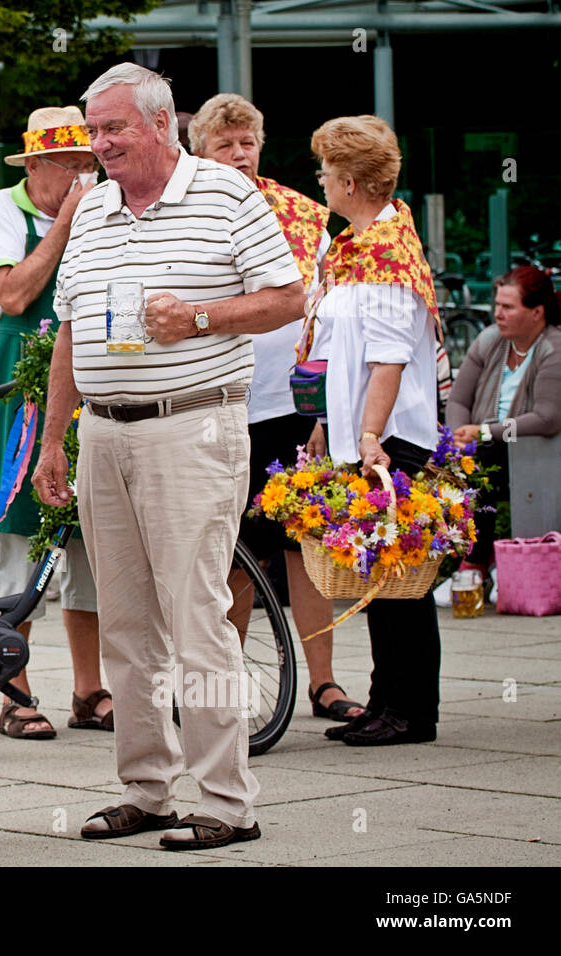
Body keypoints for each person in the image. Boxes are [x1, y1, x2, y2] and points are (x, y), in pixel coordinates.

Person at [32, 63, 306, 849]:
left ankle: (226, 803)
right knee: (125, 624)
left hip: (192, 428)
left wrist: (201, 317)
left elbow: (288, 297)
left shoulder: (224, 193)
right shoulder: (90, 211)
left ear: (160, 124)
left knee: (196, 619)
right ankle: (147, 789)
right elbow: (72, 334)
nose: (100, 143)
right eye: (93, 131)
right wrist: (56, 437)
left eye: (112, 128)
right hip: (105, 433)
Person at [189, 93, 363, 723]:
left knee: (304, 542)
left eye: (247, 143)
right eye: (225, 145)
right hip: (216, 401)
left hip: (292, 403)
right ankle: (227, 685)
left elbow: (327, 305)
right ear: (199, 151)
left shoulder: (303, 212)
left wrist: (326, 408)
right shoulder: (187, 213)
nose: (239, 155)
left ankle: (324, 682)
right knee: (229, 547)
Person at [0, 105, 108, 739]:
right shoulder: (2, 209)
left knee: (87, 539)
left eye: (91, 166)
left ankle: (89, 688)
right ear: (41, 166)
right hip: (17, 386)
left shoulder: (106, 206)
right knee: (21, 534)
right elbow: (15, 294)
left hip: (87, 379)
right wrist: (66, 226)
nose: (85, 180)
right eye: (74, 168)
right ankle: (12, 690)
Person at [304, 115, 443, 747]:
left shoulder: (385, 252)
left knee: (397, 576)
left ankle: (410, 712)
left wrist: (366, 436)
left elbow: (388, 358)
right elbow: (341, 352)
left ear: (352, 182)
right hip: (360, 432)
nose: (321, 181)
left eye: (328, 172)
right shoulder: (358, 244)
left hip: (389, 438)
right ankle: (387, 699)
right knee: (378, 574)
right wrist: (325, 427)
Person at [445, 265, 561, 573]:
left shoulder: (554, 348)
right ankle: (443, 561)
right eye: (497, 305)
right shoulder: (489, 340)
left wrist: (485, 432)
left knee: (486, 460)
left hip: (535, 450)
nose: (498, 314)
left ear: (537, 312)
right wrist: (458, 435)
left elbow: (548, 419)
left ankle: (476, 562)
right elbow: (458, 399)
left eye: (508, 307)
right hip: (484, 443)